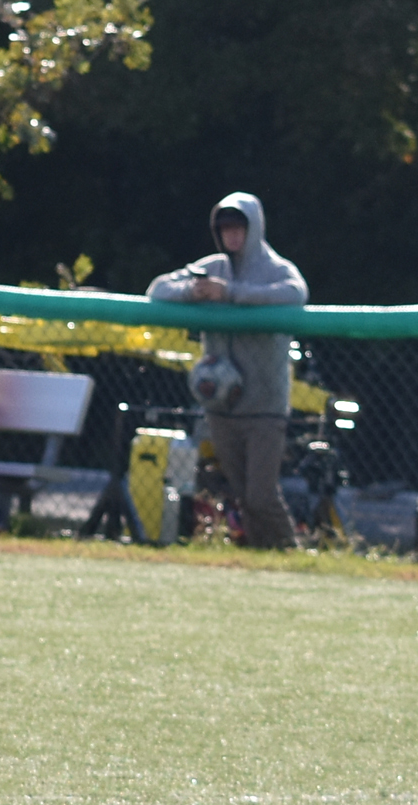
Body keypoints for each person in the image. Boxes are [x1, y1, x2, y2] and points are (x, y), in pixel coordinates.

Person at [147, 192, 308, 549]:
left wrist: (232, 293)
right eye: (225, 229)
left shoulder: (276, 269)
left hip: (265, 405)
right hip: (221, 405)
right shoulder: (211, 266)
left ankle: (289, 553)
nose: (232, 235)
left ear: (254, 228)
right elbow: (157, 289)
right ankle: (260, 555)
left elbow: (296, 293)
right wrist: (195, 291)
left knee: (261, 494)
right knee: (242, 494)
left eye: (239, 228)